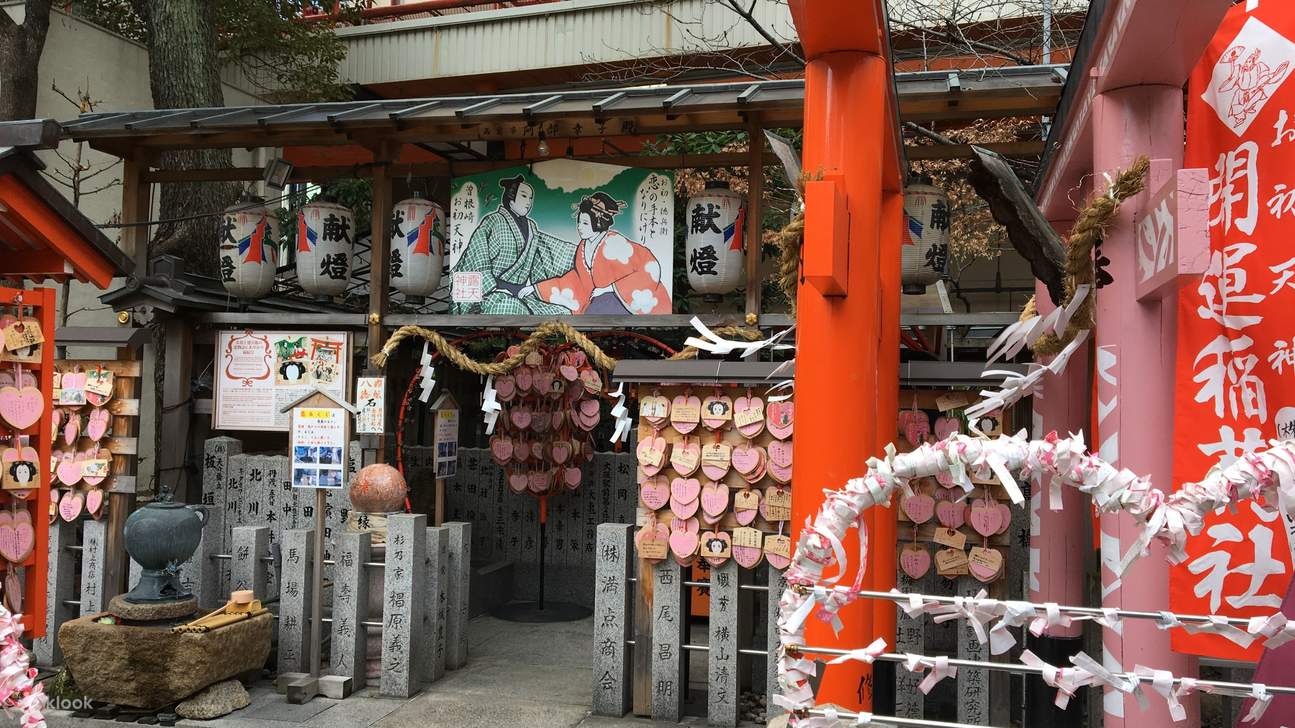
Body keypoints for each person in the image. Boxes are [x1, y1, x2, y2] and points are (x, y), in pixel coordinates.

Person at [452, 175, 577, 315]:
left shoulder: (531, 228)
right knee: (509, 308)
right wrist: (492, 288)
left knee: (563, 312)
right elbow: (477, 257)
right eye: (524, 196)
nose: (528, 202)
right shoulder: (493, 221)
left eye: (530, 198)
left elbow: (549, 247)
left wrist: (582, 253)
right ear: (511, 198)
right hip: (492, 294)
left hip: (521, 295)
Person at [528, 192, 670, 315]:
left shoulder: (614, 242)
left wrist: (609, 289)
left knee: (596, 310)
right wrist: (536, 288)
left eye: (584, 223)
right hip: (602, 299)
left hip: (626, 299)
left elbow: (647, 267)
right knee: (592, 311)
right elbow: (576, 280)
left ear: (597, 222)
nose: (579, 228)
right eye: (579, 223)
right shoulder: (583, 247)